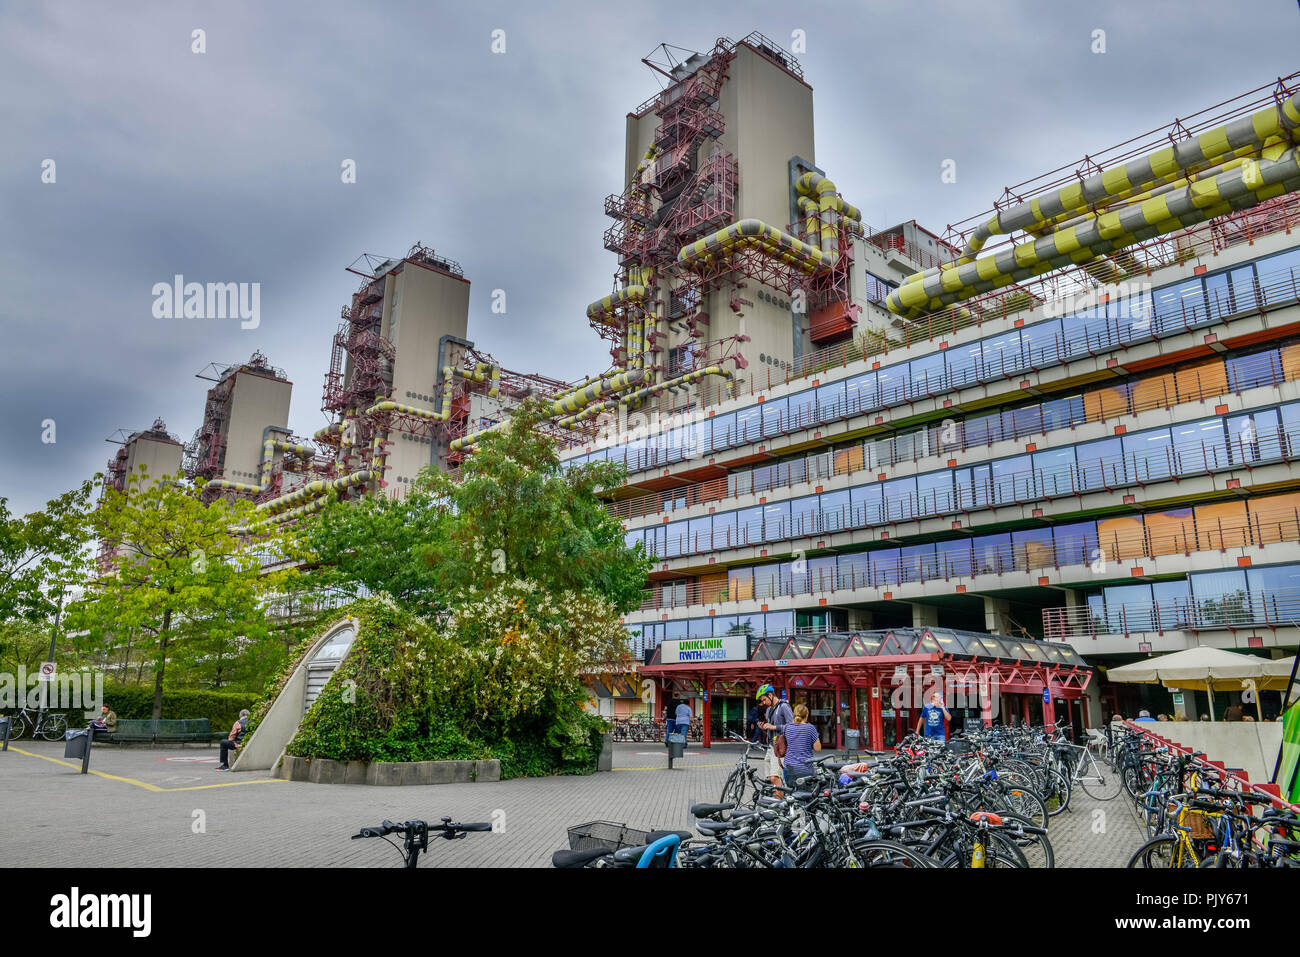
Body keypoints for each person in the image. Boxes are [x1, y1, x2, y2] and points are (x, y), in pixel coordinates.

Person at [756, 684, 793, 791]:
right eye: (762, 701)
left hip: (780, 747)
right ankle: (777, 796)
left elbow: (791, 726)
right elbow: (771, 729)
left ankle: (780, 804)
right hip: (771, 746)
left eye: (764, 699)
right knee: (769, 778)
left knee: (775, 777)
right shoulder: (769, 710)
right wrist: (764, 727)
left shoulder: (784, 706)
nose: (763, 703)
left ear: (770, 695)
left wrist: (773, 727)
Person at [781, 704, 822, 788]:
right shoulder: (810, 728)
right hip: (804, 768)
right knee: (804, 796)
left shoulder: (787, 727)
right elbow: (818, 748)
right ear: (806, 715)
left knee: (791, 794)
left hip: (789, 768)